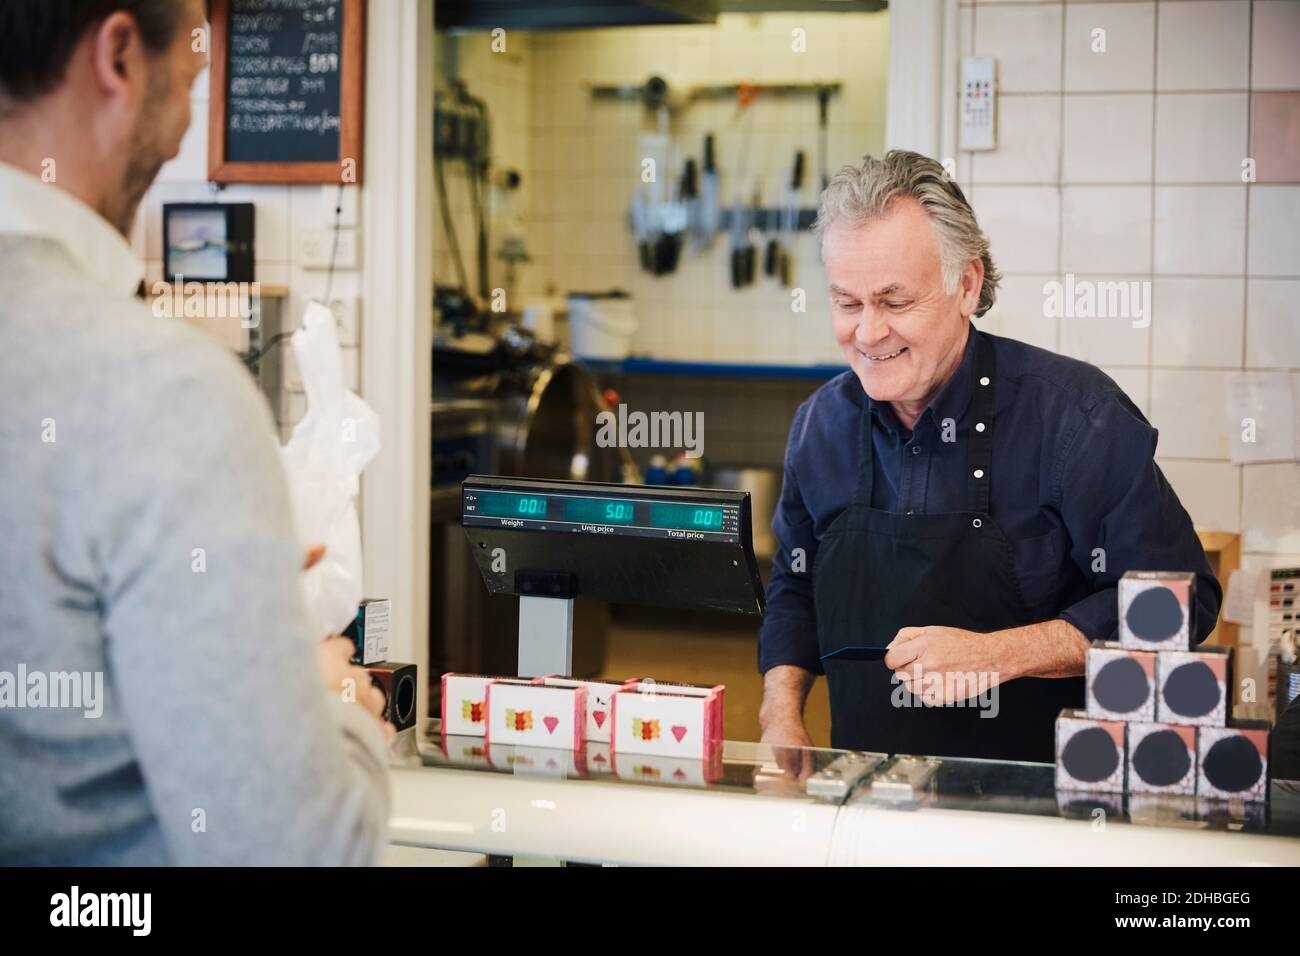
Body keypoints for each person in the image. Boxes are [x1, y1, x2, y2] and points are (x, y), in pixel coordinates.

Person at [0, 0, 390, 864]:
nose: (194, 98)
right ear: (119, 56)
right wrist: (320, 694)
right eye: (196, 59)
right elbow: (300, 852)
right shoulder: (163, 393)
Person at [758, 151, 1221, 763]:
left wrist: (1000, 655)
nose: (868, 333)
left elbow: (1184, 600)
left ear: (966, 285)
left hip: (1049, 810)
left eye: (895, 302)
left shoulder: (1075, 417)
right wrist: (780, 713)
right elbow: (795, 586)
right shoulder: (821, 424)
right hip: (869, 800)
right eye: (847, 303)